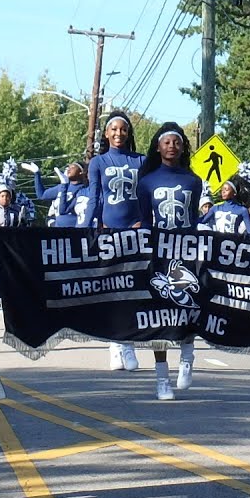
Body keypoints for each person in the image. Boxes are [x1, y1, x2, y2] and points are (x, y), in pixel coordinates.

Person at [136, 123, 203, 399]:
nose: (172, 146)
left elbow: (194, 220)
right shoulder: (146, 182)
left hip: (186, 252)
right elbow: (145, 222)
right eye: (167, 142)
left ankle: (187, 356)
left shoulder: (193, 181)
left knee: (189, 306)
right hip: (159, 254)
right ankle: (161, 378)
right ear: (158, 147)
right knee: (159, 314)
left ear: (182, 146)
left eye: (177, 142)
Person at [78, 109, 145, 373]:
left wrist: (145, 222)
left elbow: (147, 196)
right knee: (113, 289)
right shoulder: (98, 162)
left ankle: (127, 341)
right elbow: (95, 199)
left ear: (129, 134)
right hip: (109, 232)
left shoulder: (142, 160)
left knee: (134, 288)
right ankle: (115, 343)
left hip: (137, 231)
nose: (118, 133)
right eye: (114, 129)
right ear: (106, 133)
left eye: (123, 129)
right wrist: (85, 229)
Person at [24, 159, 88, 227]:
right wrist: (37, 174)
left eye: (72, 167)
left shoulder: (83, 189)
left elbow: (64, 210)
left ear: (81, 172)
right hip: (58, 229)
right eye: (68, 167)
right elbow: (41, 195)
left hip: (74, 228)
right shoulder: (61, 187)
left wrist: (64, 185)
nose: (69, 169)